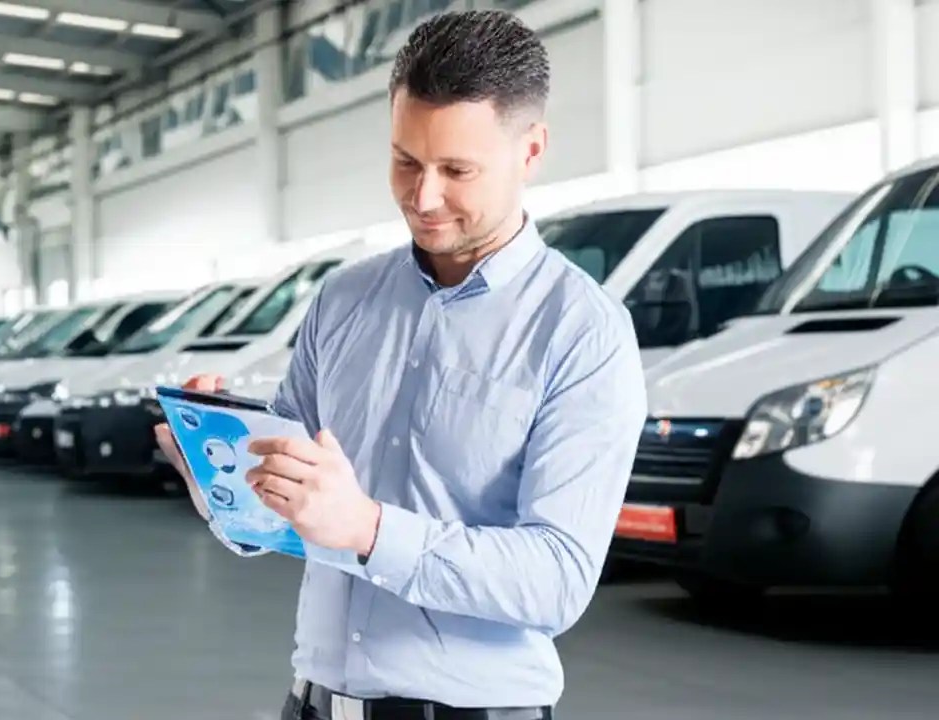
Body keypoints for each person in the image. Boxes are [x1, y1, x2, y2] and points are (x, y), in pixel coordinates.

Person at [155, 8, 646, 720]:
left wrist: (368, 529)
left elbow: (557, 581)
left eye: (457, 170)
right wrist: (218, 467)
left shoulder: (582, 332)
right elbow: (292, 518)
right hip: (314, 705)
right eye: (405, 162)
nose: (423, 197)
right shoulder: (344, 300)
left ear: (531, 151)